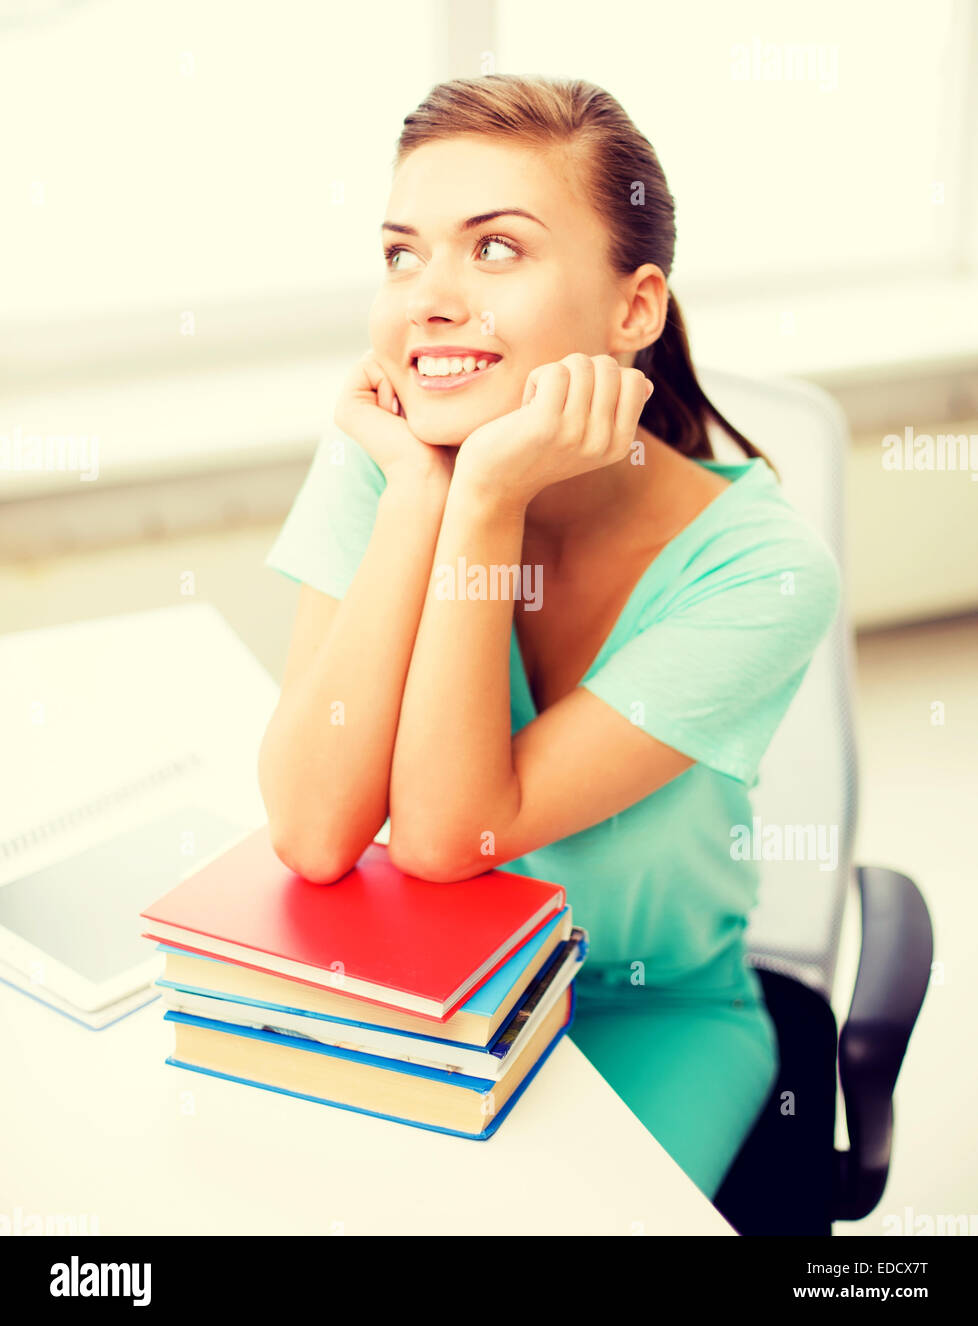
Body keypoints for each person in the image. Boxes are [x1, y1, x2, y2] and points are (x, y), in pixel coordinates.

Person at [258, 74, 842, 1202]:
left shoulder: (764, 570)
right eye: (401, 254)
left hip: (642, 1010)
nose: (427, 298)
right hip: (423, 992)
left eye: (495, 250)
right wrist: (419, 502)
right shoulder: (387, 461)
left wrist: (482, 503)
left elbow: (444, 835)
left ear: (635, 310)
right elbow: (314, 828)